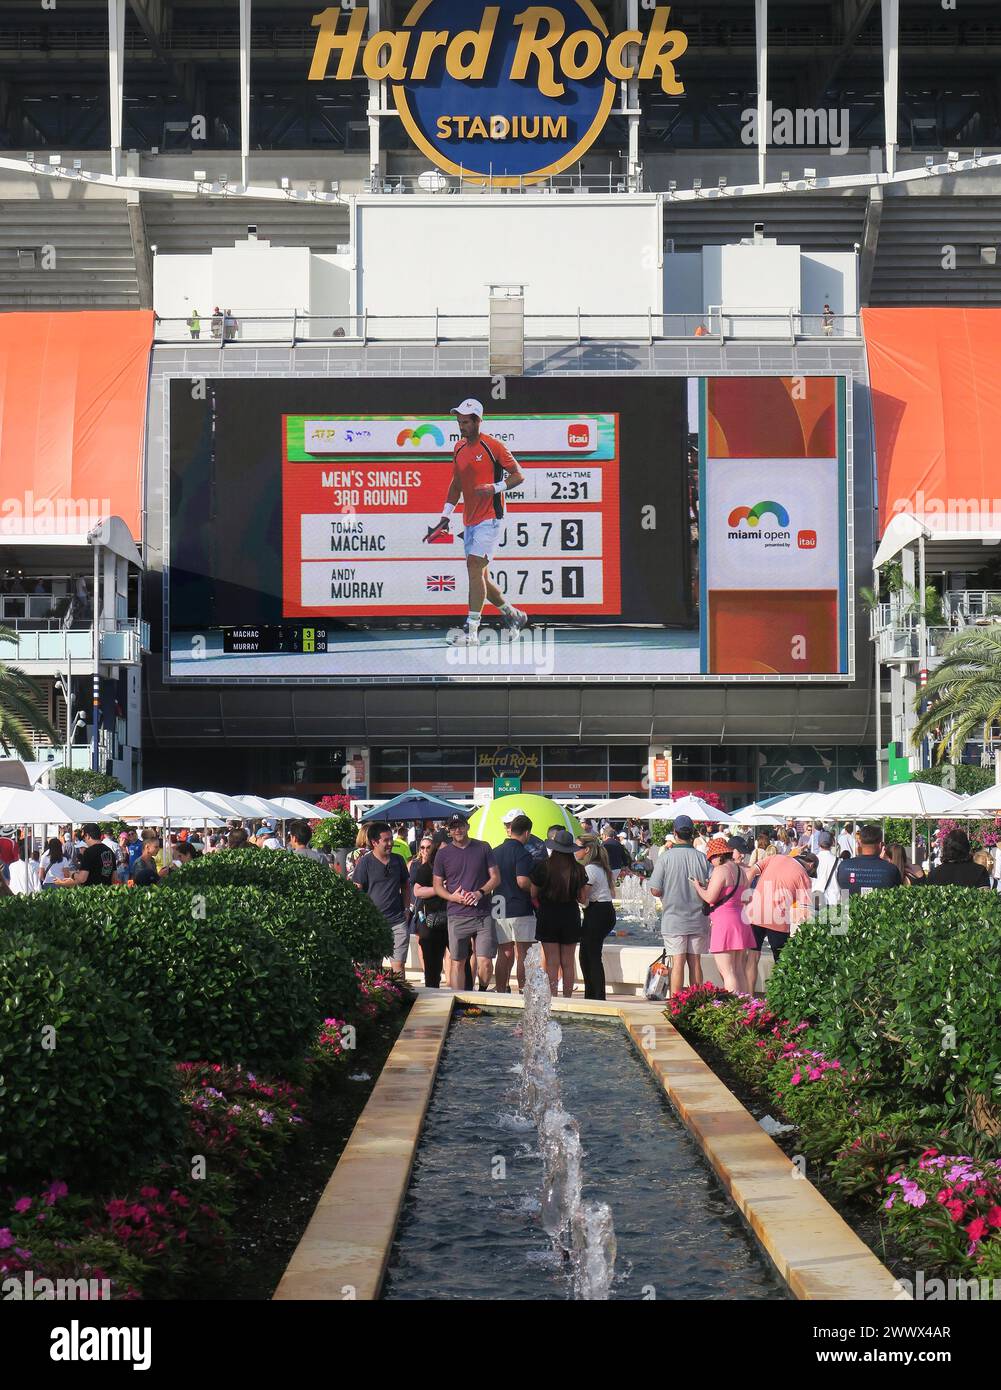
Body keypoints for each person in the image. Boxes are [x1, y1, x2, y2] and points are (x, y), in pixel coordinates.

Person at [425, 397, 527, 647]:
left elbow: (518, 475)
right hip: (469, 519)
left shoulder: (494, 446)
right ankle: (513, 615)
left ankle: (471, 633)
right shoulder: (458, 448)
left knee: (473, 567)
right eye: (459, 421)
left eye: (466, 422)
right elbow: (456, 484)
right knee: (480, 575)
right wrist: (445, 516)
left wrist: (495, 487)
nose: (461, 426)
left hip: (491, 518)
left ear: (478, 421)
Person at [433, 813, 499, 991]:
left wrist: (480, 892)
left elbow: (495, 878)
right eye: (453, 827)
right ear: (449, 831)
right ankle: (458, 1002)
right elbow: (437, 886)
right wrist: (452, 897)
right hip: (457, 914)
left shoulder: (483, 847)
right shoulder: (443, 854)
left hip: (483, 914)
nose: (458, 830)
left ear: (467, 826)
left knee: (485, 963)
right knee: (457, 962)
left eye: (460, 825)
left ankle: (483, 990)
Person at [648, 814, 710, 997]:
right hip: (698, 918)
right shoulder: (702, 858)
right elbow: (712, 886)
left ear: (674, 833)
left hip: (674, 919)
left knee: (678, 963)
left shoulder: (665, 858)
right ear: (693, 833)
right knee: (695, 962)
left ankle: (676, 1005)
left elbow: (655, 890)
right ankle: (698, 1004)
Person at [691, 836, 755, 993]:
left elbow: (710, 897)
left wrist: (698, 887)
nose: (711, 861)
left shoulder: (720, 870)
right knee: (739, 969)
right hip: (741, 920)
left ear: (719, 855)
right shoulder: (741, 870)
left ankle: (733, 1007)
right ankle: (746, 1007)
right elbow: (747, 898)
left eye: (712, 857)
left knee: (727, 972)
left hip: (724, 923)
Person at [530, 829, 588, 998]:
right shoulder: (578, 869)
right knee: (568, 962)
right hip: (570, 915)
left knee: (551, 961)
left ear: (554, 848)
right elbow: (582, 898)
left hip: (548, 914)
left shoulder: (543, 867)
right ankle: (568, 997)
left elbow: (533, 893)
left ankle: (552, 997)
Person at [352, 822, 410, 977]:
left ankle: (402, 999)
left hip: (397, 921)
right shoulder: (365, 862)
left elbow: (405, 886)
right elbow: (356, 889)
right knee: (371, 969)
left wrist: (406, 909)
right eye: (386, 840)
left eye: (391, 839)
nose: (390, 843)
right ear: (374, 842)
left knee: (398, 968)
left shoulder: (398, 860)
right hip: (373, 924)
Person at [491, 813, 537, 993]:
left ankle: (501, 990)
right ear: (526, 833)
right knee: (523, 953)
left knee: (504, 952)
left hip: (498, 904)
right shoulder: (523, 853)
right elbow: (522, 881)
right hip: (519, 905)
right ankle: (523, 992)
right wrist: (536, 889)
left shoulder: (495, 851)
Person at [745, 849, 812, 967]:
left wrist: (744, 896)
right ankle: (777, 985)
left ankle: (750, 986)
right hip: (778, 920)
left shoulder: (774, 857)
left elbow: (751, 871)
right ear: (811, 865)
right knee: (782, 962)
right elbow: (804, 912)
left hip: (756, 912)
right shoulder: (804, 876)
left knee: (752, 957)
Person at [576, 833, 616, 1001]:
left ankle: (596, 996)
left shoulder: (590, 869)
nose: (574, 851)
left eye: (577, 847)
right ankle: (593, 995)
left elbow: (583, 897)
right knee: (588, 954)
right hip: (604, 911)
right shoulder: (600, 868)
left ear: (587, 850)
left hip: (597, 911)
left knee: (590, 956)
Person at [408, 835, 450, 988]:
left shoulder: (455, 866)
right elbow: (417, 891)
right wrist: (438, 889)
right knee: (432, 965)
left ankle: (459, 992)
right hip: (430, 920)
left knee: (458, 960)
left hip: (454, 919)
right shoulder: (425, 868)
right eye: (440, 850)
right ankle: (433, 990)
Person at [837, 824, 902, 895]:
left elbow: (844, 894)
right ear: (881, 845)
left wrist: (846, 906)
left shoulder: (843, 866)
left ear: (858, 843)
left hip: (850, 905)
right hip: (880, 906)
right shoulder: (891, 869)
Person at [50, 823, 115, 888]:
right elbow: (115, 877)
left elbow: (82, 879)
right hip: (107, 892)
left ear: (88, 836)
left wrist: (72, 874)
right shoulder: (110, 851)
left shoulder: (89, 852)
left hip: (92, 892)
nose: (84, 840)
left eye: (84, 837)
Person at [925, 829, 992, 888]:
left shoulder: (933, 874)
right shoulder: (980, 871)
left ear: (945, 848)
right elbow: (985, 899)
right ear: (967, 847)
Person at [813, 830, 842, 907]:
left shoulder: (813, 860)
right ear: (832, 843)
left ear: (818, 844)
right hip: (834, 899)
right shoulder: (838, 861)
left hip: (817, 898)